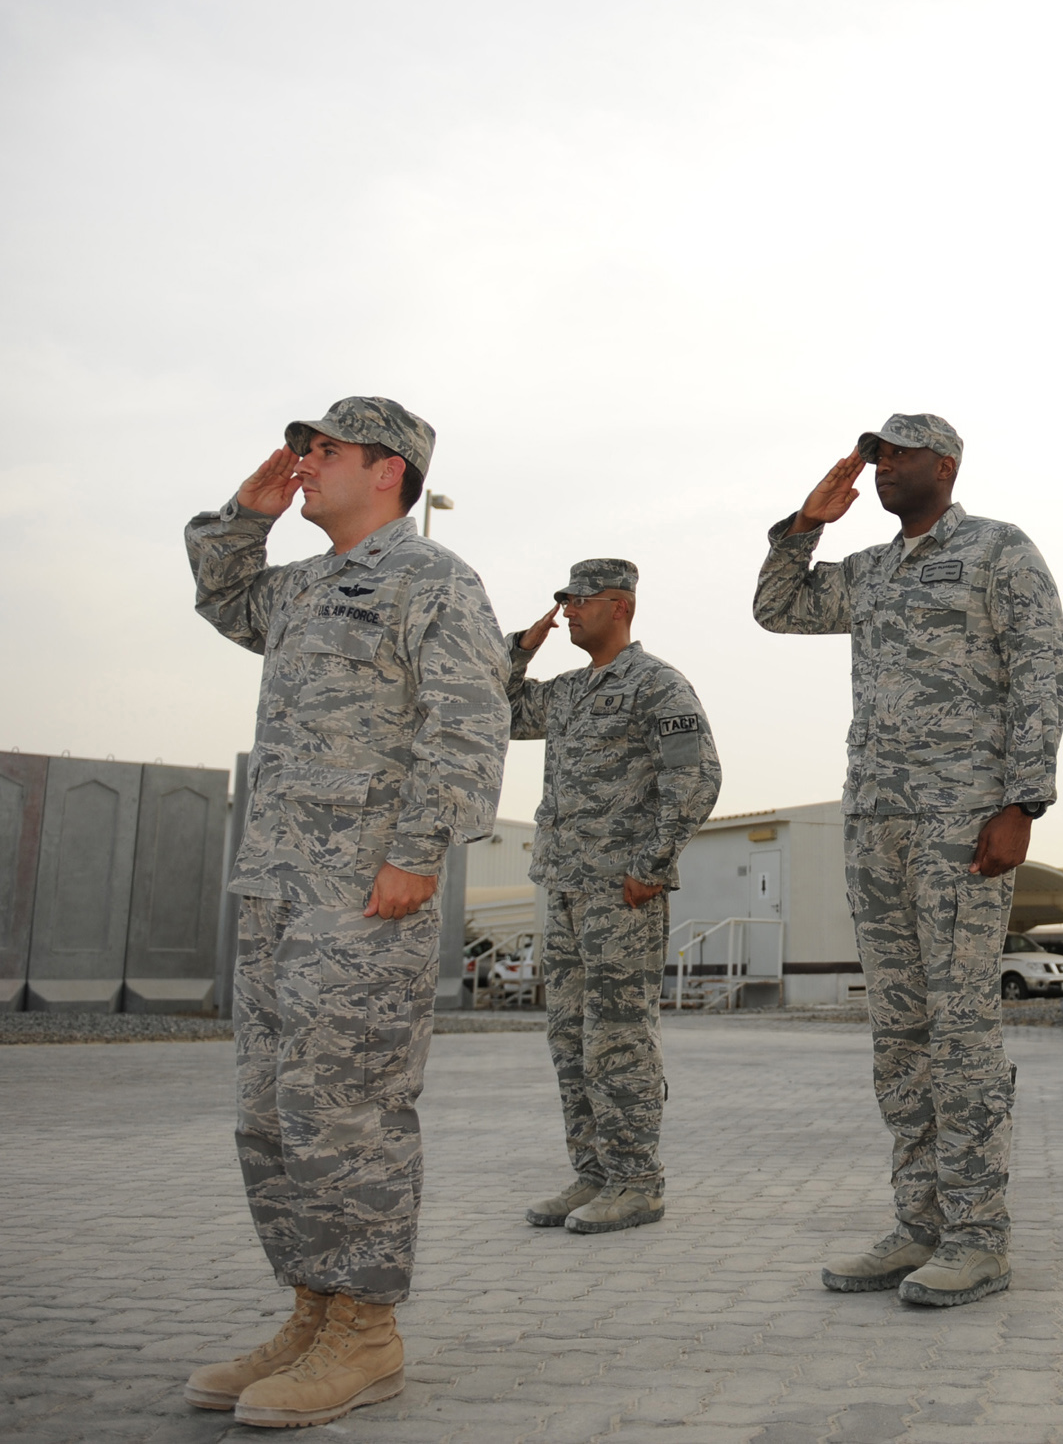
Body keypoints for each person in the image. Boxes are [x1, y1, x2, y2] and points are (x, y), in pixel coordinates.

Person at [182, 397, 509, 1428]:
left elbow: (470, 724)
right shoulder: (302, 586)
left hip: (362, 895)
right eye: (302, 448)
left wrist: (418, 854)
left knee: (347, 1114)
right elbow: (221, 591)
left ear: (389, 469)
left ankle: (365, 1332)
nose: (307, 460)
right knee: (269, 1117)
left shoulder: (435, 581)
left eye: (326, 449)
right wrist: (248, 509)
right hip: (276, 890)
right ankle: (312, 1309)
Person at [754, 413, 1063, 1308]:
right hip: (880, 823)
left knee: (961, 1026)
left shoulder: (999, 551)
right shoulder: (869, 570)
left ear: (946, 462)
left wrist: (1022, 801)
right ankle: (918, 1223)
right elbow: (778, 607)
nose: (884, 467)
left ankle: (977, 1235)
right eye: (875, 456)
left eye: (898, 454)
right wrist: (806, 524)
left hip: (963, 823)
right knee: (899, 1030)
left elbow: (1043, 667)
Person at [506, 559, 721, 1234]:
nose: (568, 611)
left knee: (618, 1039)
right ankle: (594, 1172)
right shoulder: (567, 691)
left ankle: (636, 1180)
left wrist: (652, 864)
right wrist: (519, 650)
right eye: (563, 601)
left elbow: (697, 777)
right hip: (566, 885)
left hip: (621, 891)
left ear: (620, 605)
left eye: (580, 601)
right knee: (569, 1036)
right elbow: (501, 709)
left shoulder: (656, 685)